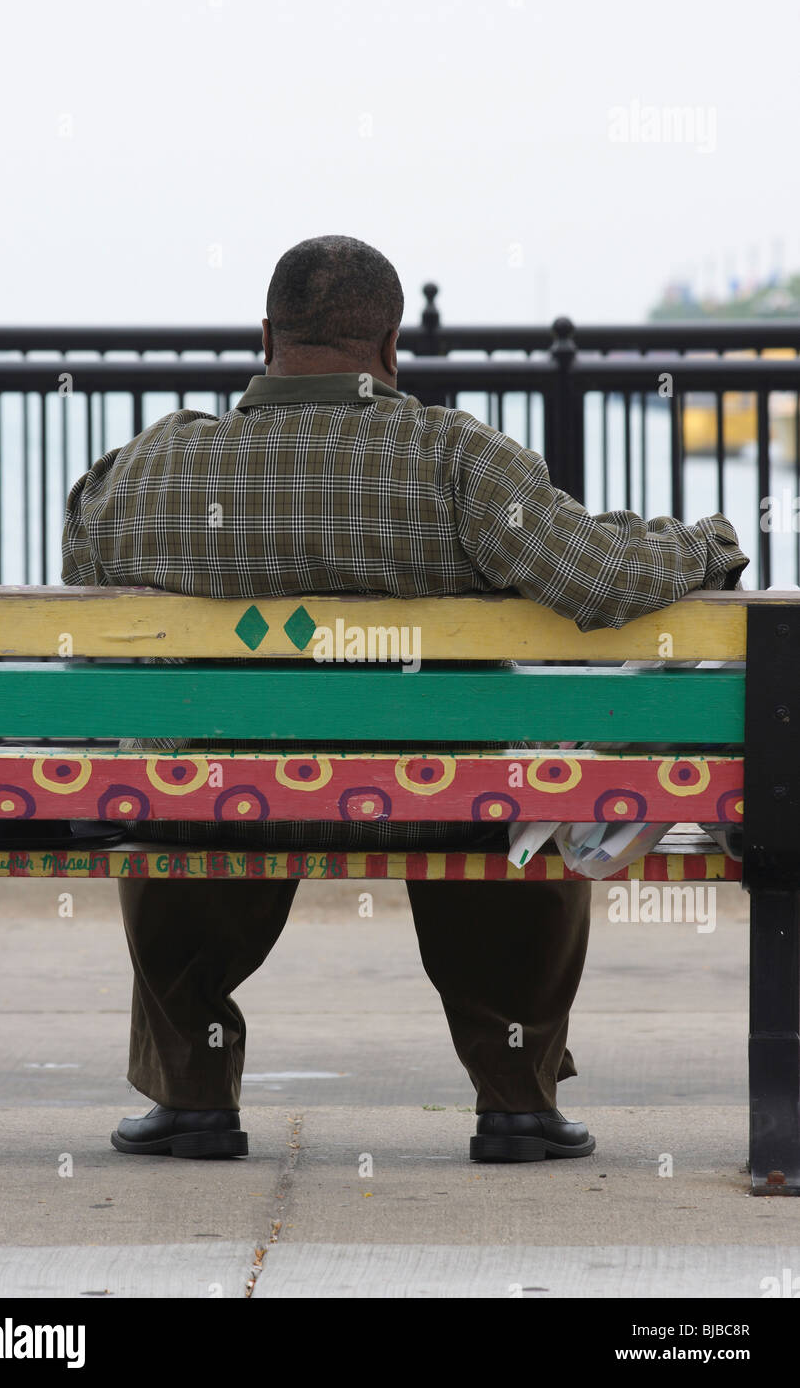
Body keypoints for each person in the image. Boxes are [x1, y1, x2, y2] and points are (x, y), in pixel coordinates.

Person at [61, 235, 749, 1163]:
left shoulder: (155, 469)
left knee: (176, 787)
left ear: (266, 337)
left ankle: (193, 1098)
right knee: (517, 801)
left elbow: (79, 566)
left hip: (221, 804)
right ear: (390, 349)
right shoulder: (454, 458)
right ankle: (517, 1104)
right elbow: (597, 577)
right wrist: (703, 544)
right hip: (433, 803)